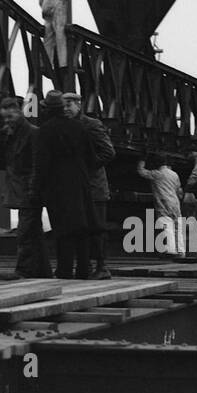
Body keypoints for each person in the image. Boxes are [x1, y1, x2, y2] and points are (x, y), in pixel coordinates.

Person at [28, 90, 98, 279]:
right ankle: (84, 270)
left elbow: (41, 164)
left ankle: (65, 270)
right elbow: (93, 159)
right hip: (80, 183)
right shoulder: (80, 127)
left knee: (62, 229)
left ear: (47, 109)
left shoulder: (45, 130)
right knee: (82, 227)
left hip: (57, 186)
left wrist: (35, 191)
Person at [61, 92, 115, 278]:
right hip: (78, 188)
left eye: (69, 105)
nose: (66, 109)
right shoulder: (67, 126)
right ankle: (88, 266)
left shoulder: (92, 124)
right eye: (64, 106)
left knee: (97, 227)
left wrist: (85, 167)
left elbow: (108, 152)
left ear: (79, 105)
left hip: (94, 187)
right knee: (81, 228)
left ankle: (102, 267)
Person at [1, 96, 47, 278]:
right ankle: (42, 271)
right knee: (32, 231)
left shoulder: (32, 133)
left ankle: (23, 269)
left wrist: (33, 191)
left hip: (29, 192)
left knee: (25, 232)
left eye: (10, 117)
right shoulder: (12, 134)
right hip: (21, 190)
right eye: (4, 118)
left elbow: (36, 165)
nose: (7, 121)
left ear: (20, 113)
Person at [136, 153, 184, 258]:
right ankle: (181, 251)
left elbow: (141, 171)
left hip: (164, 202)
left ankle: (171, 250)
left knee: (167, 226)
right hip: (175, 202)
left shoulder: (156, 174)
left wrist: (142, 159)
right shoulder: (174, 174)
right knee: (177, 226)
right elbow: (179, 190)